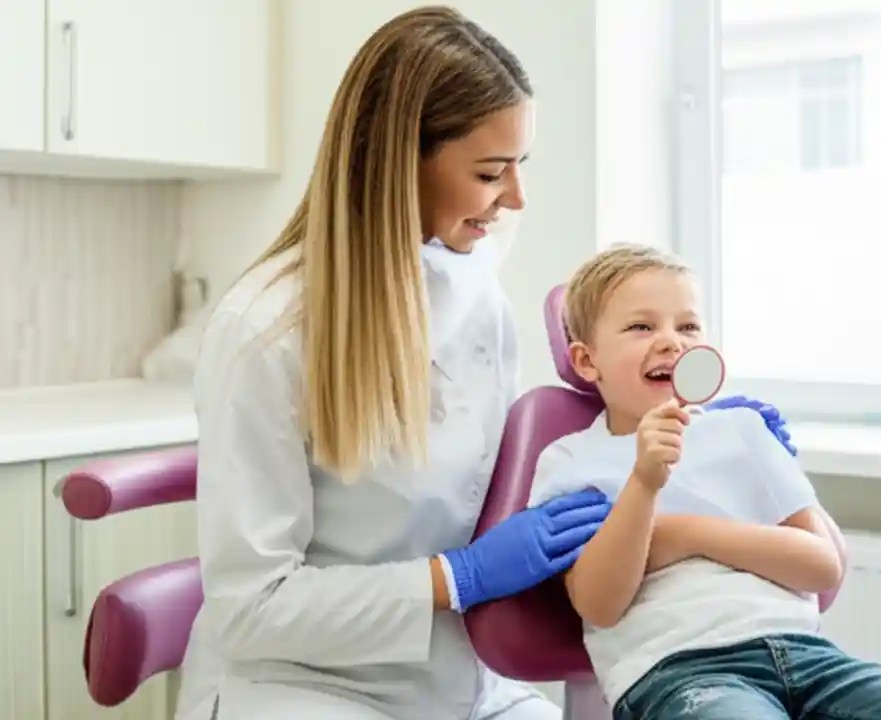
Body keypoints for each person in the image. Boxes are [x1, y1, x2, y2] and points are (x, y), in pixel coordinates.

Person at [174, 8, 792, 720]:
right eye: (491, 173)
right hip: (302, 685)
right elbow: (253, 608)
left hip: (463, 682)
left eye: (518, 166)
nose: (515, 200)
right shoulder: (265, 331)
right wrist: (454, 578)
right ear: (400, 161)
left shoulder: (474, 287)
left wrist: (706, 440)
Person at [526, 243, 881, 720]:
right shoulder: (571, 459)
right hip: (679, 674)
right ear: (587, 361)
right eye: (641, 326)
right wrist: (644, 483)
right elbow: (599, 604)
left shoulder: (741, 432)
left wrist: (686, 534)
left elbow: (821, 567)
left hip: (809, 659)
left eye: (689, 325)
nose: (672, 341)